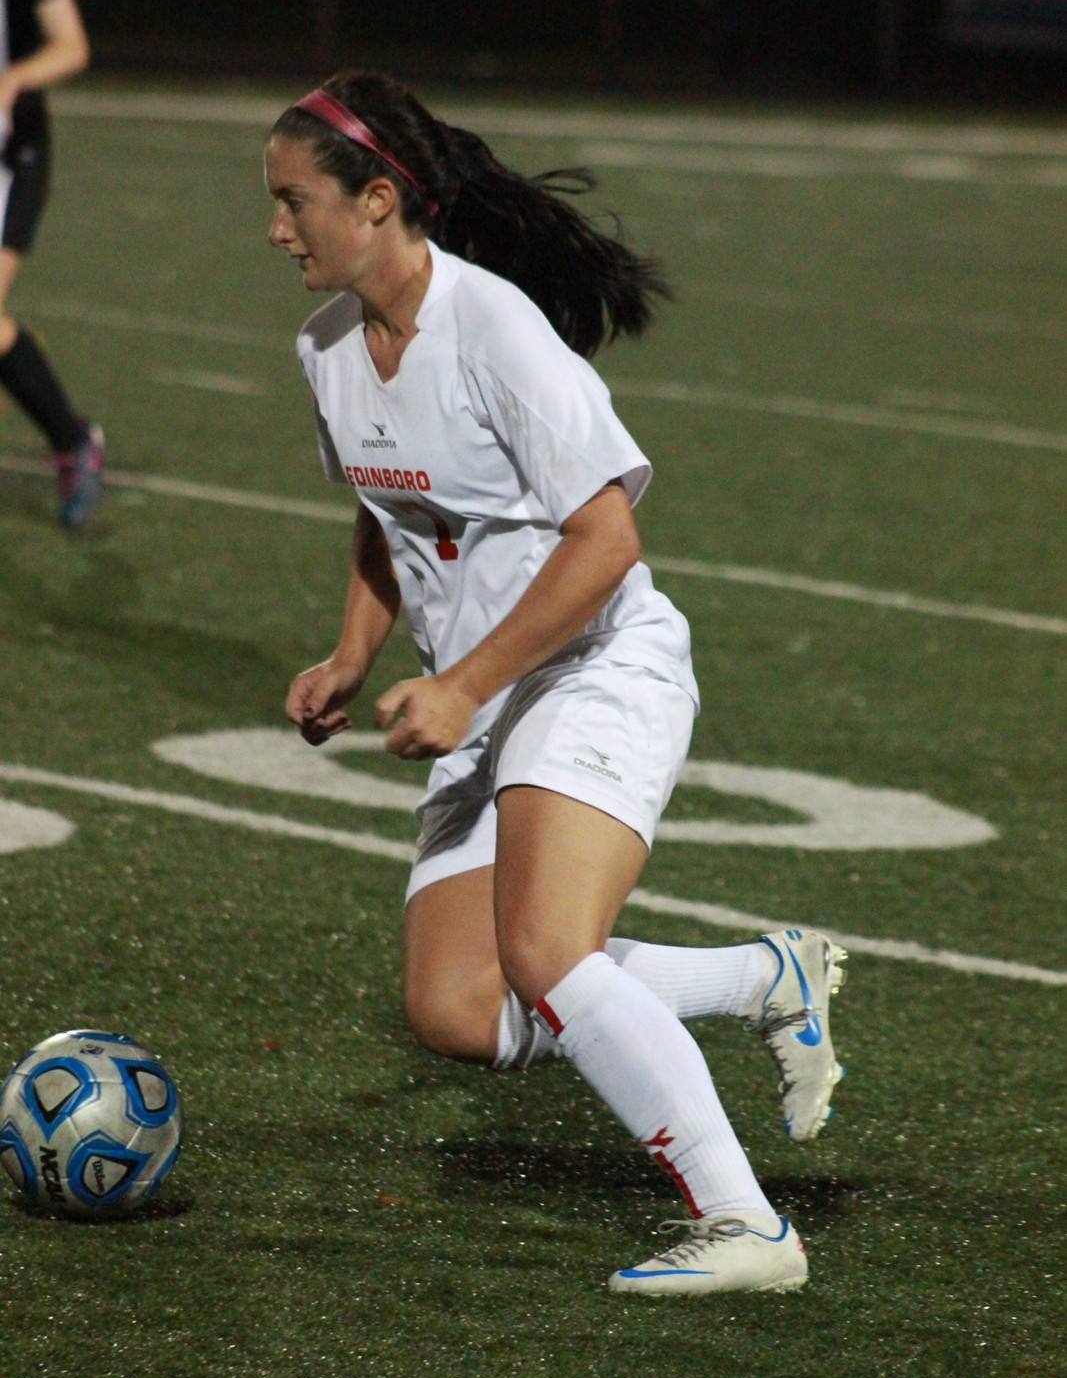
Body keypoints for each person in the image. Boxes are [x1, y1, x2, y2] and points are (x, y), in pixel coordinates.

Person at [268, 71, 846, 1296]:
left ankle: (747, 1225)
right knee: (459, 1010)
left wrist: (464, 681)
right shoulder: (324, 346)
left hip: (594, 667)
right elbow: (388, 513)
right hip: (487, 696)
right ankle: (761, 977)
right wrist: (353, 656)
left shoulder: (498, 333)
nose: (275, 227)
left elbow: (607, 541)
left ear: (378, 200)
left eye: (292, 200)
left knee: (543, 946)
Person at [0, 0, 101, 528]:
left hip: (11, 155)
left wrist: (12, 78)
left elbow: (71, 45)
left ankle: (71, 440)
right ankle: (72, 438)